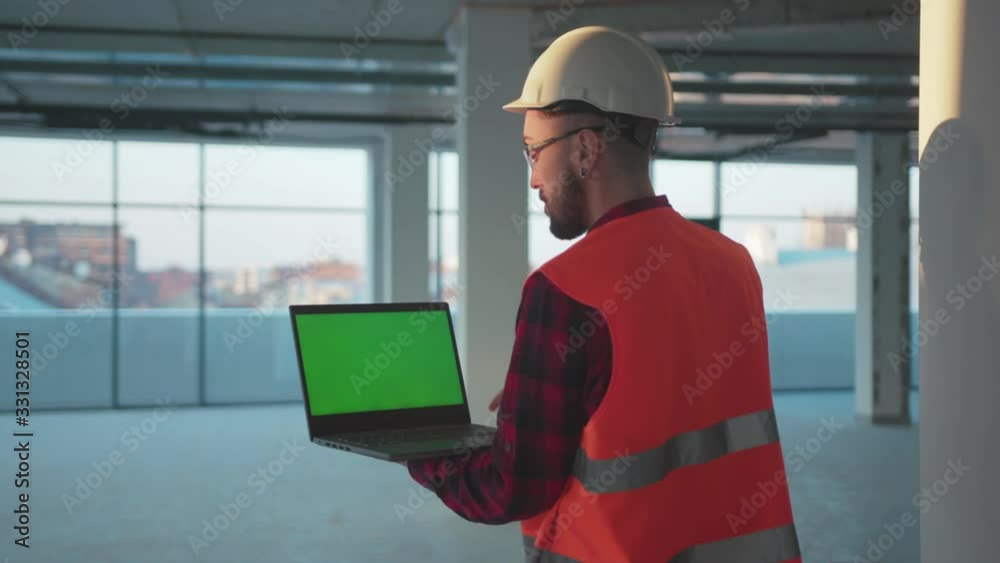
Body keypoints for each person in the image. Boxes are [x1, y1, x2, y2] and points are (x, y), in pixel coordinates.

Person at [405, 25, 801, 563]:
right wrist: (559, 399)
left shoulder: (566, 290)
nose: (533, 180)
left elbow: (512, 487)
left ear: (586, 150)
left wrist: (423, 452)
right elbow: (674, 404)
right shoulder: (733, 263)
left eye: (533, 152)